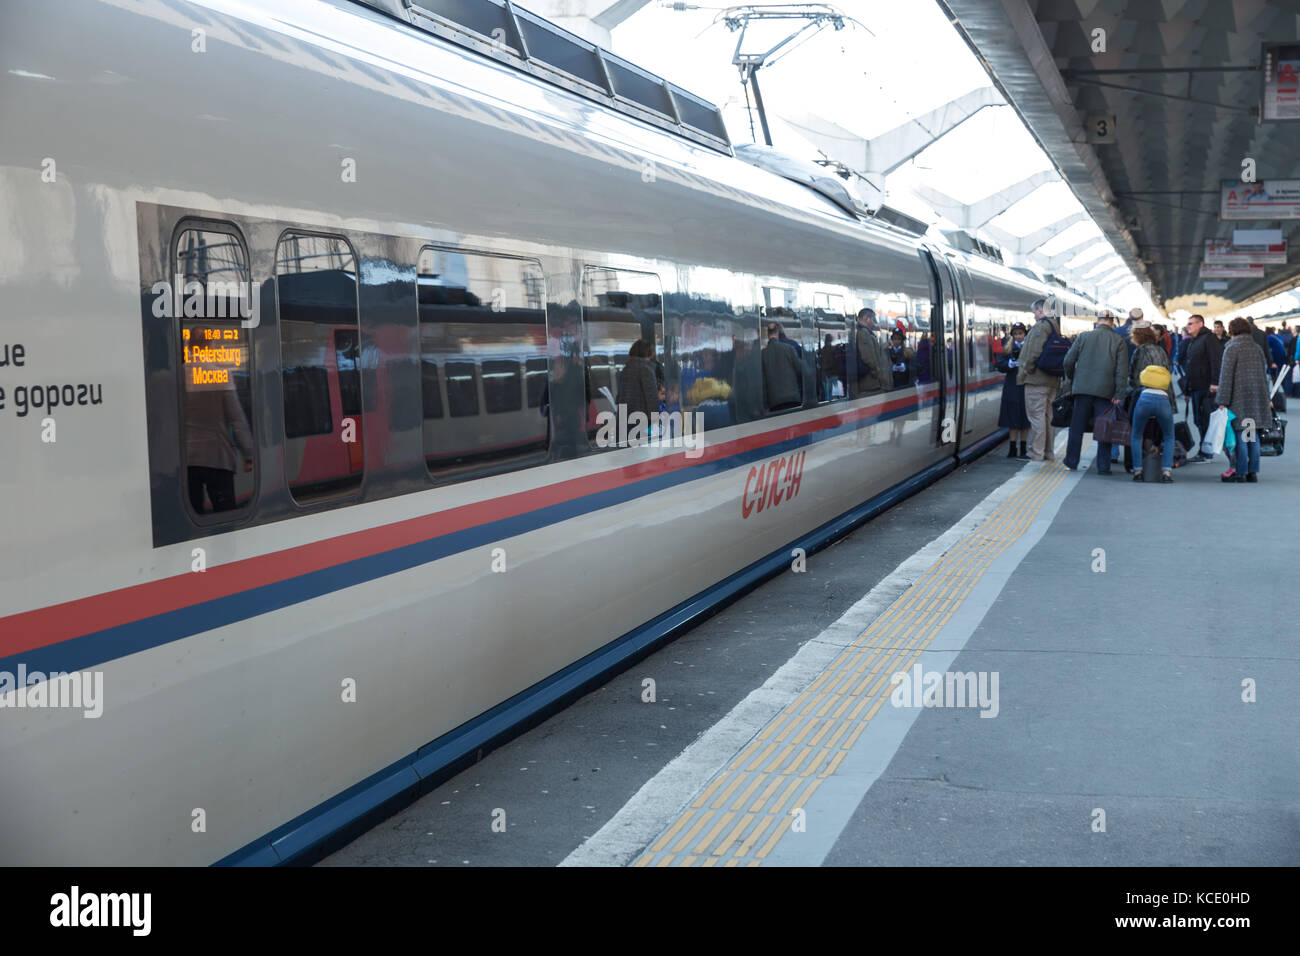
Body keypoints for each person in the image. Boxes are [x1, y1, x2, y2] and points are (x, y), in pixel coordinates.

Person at [1062, 311, 1128, 474]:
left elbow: (1068, 361)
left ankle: (1071, 461)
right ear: (1112, 323)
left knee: (1076, 427)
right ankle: (1103, 466)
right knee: (1104, 427)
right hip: (1105, 392)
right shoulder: (1119, 341)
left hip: (1082, 389)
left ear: (1098, 321)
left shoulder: (1084, 337)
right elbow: (1121, 371)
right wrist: (1119, 394)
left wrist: (1073, 378)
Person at [1217, 317, 1273, 483]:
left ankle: (1240, 472)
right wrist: (1267, 398)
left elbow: (1226, 377)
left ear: (1232, 330)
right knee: (1252, 433)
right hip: (1256, 397)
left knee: (1241, 434)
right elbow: (1264, 375)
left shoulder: (1231, 348)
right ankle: (1253, 472)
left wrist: (1222, 400)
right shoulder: (1257, 348)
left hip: (1238, 397)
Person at [186, 380, 255, 513]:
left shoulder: (178, 376)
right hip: (218, 458)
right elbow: (237, 420)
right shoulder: (221, 376)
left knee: (193, 514)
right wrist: (248, 454)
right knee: (225, 514)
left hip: (188, 460)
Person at [1128, 321, 1176, 482]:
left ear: (1137, 337)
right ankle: (1166, 473)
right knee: (1169, 436)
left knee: (1136, 435)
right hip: (1163, 398)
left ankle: (1137, 472)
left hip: (1145, 397)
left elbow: (1134, 378)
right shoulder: (1161, 351)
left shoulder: (1139, 351)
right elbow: (1167, 374)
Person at [1017, 296, 1062, 461]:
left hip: (1037, 380)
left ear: (1040, 310)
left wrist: (1027, 368)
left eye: (1034, 312)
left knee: (1036, 417)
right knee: (1047, 416)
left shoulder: (1041, 327)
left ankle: (1036, 452)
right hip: (1051, 380)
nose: (1034, 316)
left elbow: (1034, 350)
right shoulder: (1054, 326)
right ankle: (1048, 452)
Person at [1181, 313, 1223, 461]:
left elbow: (1215, 361)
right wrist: (1187, 390)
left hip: (1206, 388)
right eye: (1188, 323)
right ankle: (1204, 450)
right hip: (1196, 387)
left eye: (1191, 323)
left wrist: (1215, 382)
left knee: (1205, 420)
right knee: (1198, 420)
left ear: (1200, 324)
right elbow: (1190, 365)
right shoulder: (1194, 340)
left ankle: (1206, 452)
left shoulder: (1208, 339)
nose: (1188, 326)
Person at [996, 322, 1030, 458]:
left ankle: (1023, 448)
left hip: (1025, 386)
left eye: (1020, 333)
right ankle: (1012, 448)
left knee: (1025, 420)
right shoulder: (1008, 349)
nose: (1018, 336)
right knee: (1013, 420)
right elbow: (1000, 365)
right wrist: (1009, 364)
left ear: (1025, 334)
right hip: (1011, 388)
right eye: (1015, 334)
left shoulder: (1030, 348)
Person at [762, 321, 803, 411]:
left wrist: (765, 404)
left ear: (768, 335)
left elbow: (763, 381)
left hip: (774, 402)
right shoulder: (789, 348)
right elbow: (801, 369)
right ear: (777, 333)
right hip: (793, 399)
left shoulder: (763, 354)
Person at [617, 338, 658, 423]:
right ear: (649, 353)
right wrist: (656, 420)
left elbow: (619, 396)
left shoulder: (625, 369)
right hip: (642, 418)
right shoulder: (646, 369)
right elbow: (651, 398)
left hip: (626, 417)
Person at [853, 308, 890, 394]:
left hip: (868, 381)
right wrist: (877, 373)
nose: (874, 323)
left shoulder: (859, 331)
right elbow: (868, 356)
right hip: (869, 383)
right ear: (867, 318)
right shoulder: (864, 332)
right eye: (873, 320)